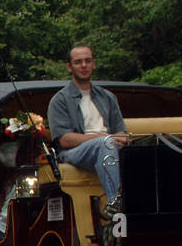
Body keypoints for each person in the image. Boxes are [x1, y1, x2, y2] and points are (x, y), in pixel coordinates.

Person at [45, 45, 129, 214]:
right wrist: (103, 139)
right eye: (78, 62)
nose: (83, 65)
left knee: (146, 152)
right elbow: (64, 139)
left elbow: (121, 131)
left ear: (94, 64)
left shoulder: (108, 97)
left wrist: (120, 138)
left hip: (110, 148)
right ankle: (115, 202)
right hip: (75, 152)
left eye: (87, 61)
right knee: (106, 143)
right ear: (70, 67)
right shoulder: (60, 100)